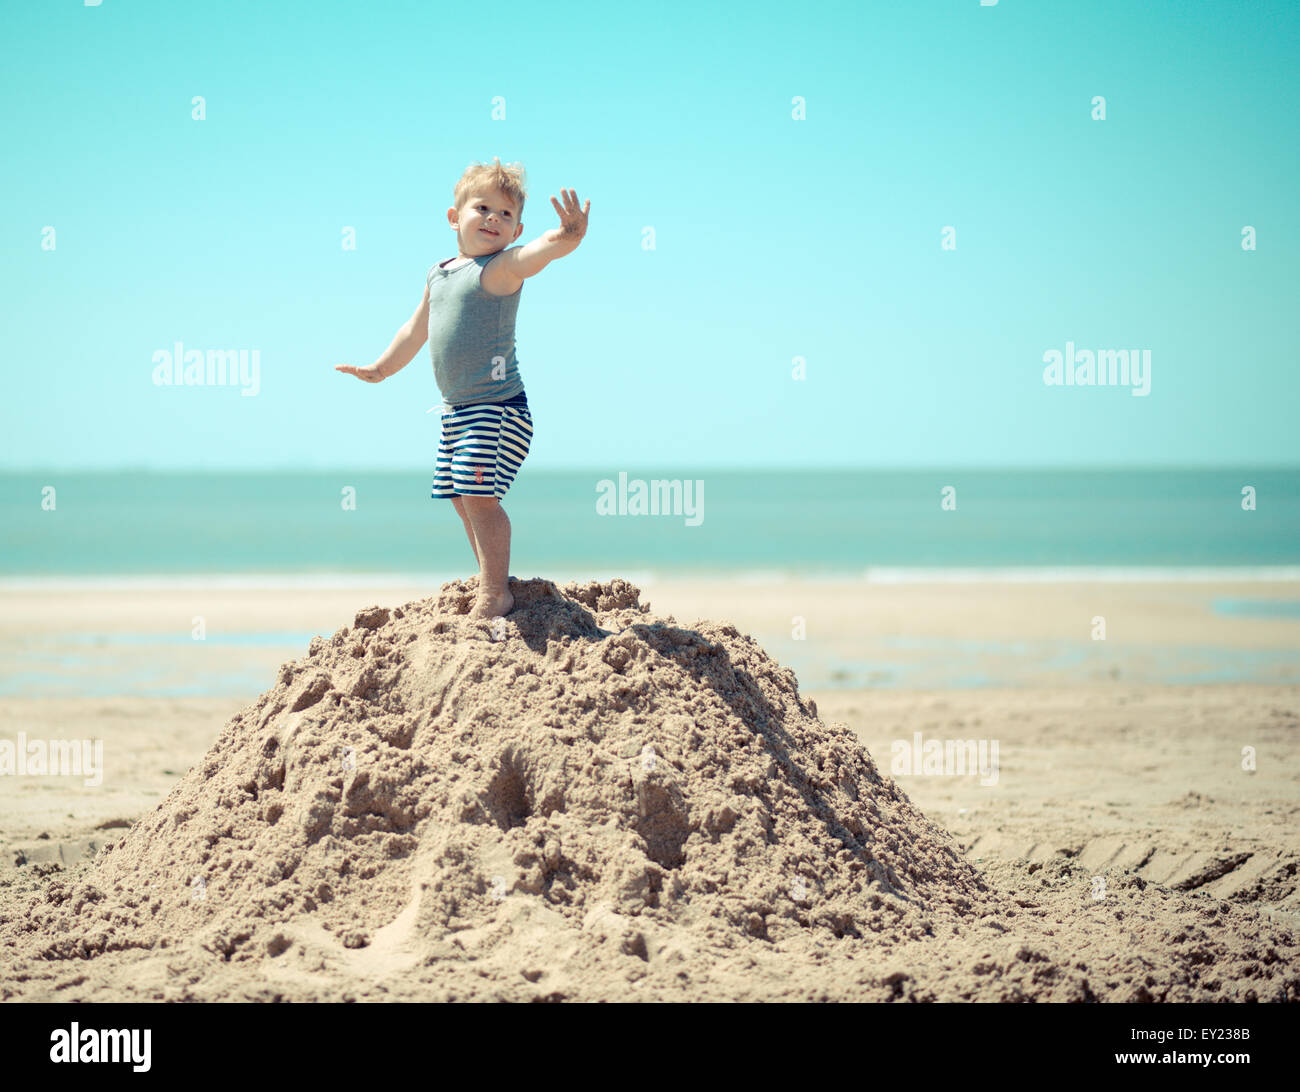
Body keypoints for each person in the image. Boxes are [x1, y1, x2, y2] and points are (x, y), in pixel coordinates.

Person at [337, 157, 589, 618]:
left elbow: (537, 254)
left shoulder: (499, 269)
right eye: (483, 208)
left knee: (478, 494)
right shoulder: (439, 273)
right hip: (458, 412)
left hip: (498, 408)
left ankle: (495, 592)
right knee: (460, 496)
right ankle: (491, 579)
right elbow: (416, 330)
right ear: (455, 217)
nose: (494, 218)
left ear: (515, 230)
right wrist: (382, 369)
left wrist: (565, 238)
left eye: (506, 214)